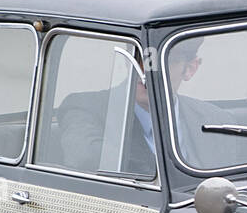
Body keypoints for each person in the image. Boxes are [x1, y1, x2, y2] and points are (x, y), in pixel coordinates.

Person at [59, 37, 236, 174]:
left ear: (190, 68)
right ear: (127, 60)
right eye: (139, 59)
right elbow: (85, 158)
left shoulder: (216, 120)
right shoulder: (84, 108)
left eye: (165, 60)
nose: (146, 71)